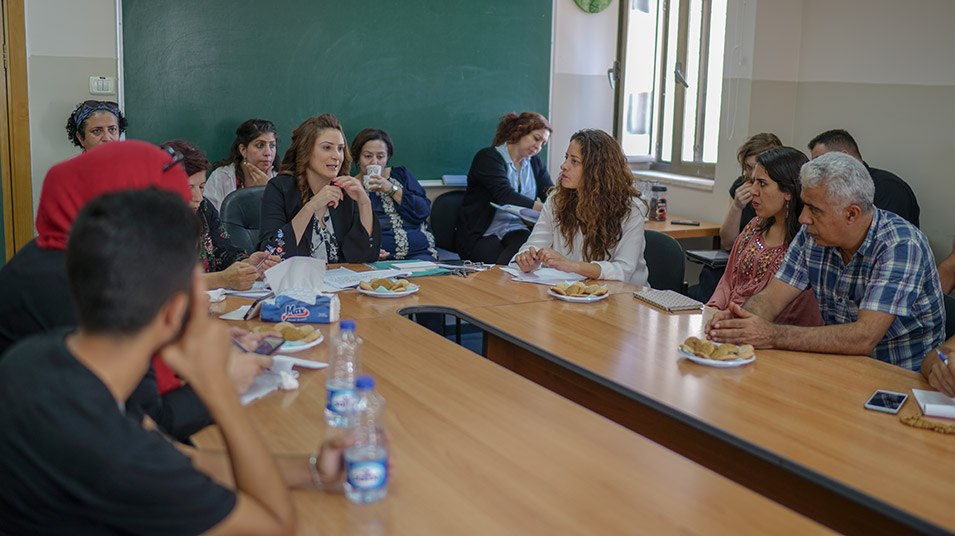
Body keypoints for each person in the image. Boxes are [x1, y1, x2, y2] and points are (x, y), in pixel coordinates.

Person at [0, 188, 350, 534]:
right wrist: (218, 389)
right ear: (175, 313)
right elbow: (275, 523)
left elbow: (185, 459)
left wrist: (314, 470)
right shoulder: (117, 455)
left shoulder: (37, 356)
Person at [0, 140, 270, 442]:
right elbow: (144, 422)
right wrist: (222, 384)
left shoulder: (63, 251)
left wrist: (186, 334)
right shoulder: (71, 283)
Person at [706, 152, 944, 371]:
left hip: (898, 378)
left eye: (814, 209)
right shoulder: (812, 234)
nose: (803, 218)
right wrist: (741, 321)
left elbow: (865, 337)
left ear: (852, 214)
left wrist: (771, 335)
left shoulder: (901, 245)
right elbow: (770, 298)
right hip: (840, 366)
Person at [512, 129, 649, 286]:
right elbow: (533, 245)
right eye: (566, 158)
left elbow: (623, 271)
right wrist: (527, 259)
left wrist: (571, 266)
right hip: (573, 295)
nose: (564, 166)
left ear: (597, 170)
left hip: (624, 298)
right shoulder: (556, 200)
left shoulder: (631, 209)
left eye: (574, 161)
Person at [707, 147, 823, 326]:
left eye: (762, 183)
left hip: (766, 332)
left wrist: (732, 322)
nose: (753, 191)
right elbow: (727, 281)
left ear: (788, 192)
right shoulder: (755, 226)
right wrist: (712, 310)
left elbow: (784, 311)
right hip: (726, 321)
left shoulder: (806, 242)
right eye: (753, 182)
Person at [258, 114, 381, 262]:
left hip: (340, 283)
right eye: (327, 148)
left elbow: (363, 257)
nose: (337, 156)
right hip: (296, 283)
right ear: (306, 150)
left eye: (340, 149)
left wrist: (364, 204)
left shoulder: (345, 192)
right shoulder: (280, 188)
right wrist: (312, 206)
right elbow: (270, 253)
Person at [162, 139, 280, 290]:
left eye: (201, 187)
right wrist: (222, 279)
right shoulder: (150, 219)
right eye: (189, 187)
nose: (198, 197)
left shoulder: (203, 208)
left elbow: (225, 251)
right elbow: (163, 282)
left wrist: (248, 264)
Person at [691, 133, 783, 302]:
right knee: (710, 276)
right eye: (748, 167)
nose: (752, 175)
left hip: (759, 266)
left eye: (758, 169)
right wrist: (737, 206)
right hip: (735, 260)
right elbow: (727, 242)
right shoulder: (741, 187)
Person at [455, 112, 553, 264]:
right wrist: (546, 209)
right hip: (483, 233)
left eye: (543, 144)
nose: (538, 147)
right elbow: (505, 195)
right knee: (501, 267)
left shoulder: (535, 163)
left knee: (526, 259)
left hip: (517, 229)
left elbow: (549, 192)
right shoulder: (488, 157)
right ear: (520, 131)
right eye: (536, 138)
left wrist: (560, 204)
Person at [350, 128, 437, 261]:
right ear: (357, 158)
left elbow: (423, 211)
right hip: (379, 258)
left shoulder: (401, 175)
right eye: (367, 156)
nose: (374, 162)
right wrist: (369, 251)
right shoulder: (352, 188)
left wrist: (391, 188)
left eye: (380, 157)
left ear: (387, 157)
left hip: (419, 253)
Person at [808, 128, 920, 227]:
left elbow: (885, 236)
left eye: (821, 162)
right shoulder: (837, 189)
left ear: (844, 157)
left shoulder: (888, 188)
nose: (818, 169)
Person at [205, 118, 280, 211]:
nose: (268, 153)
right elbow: (208, 219)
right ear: (243, 150)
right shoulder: (222, 177)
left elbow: (286, 221)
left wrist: (268, 191)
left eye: (272, 146)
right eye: (260, 145)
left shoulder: (281, 178)